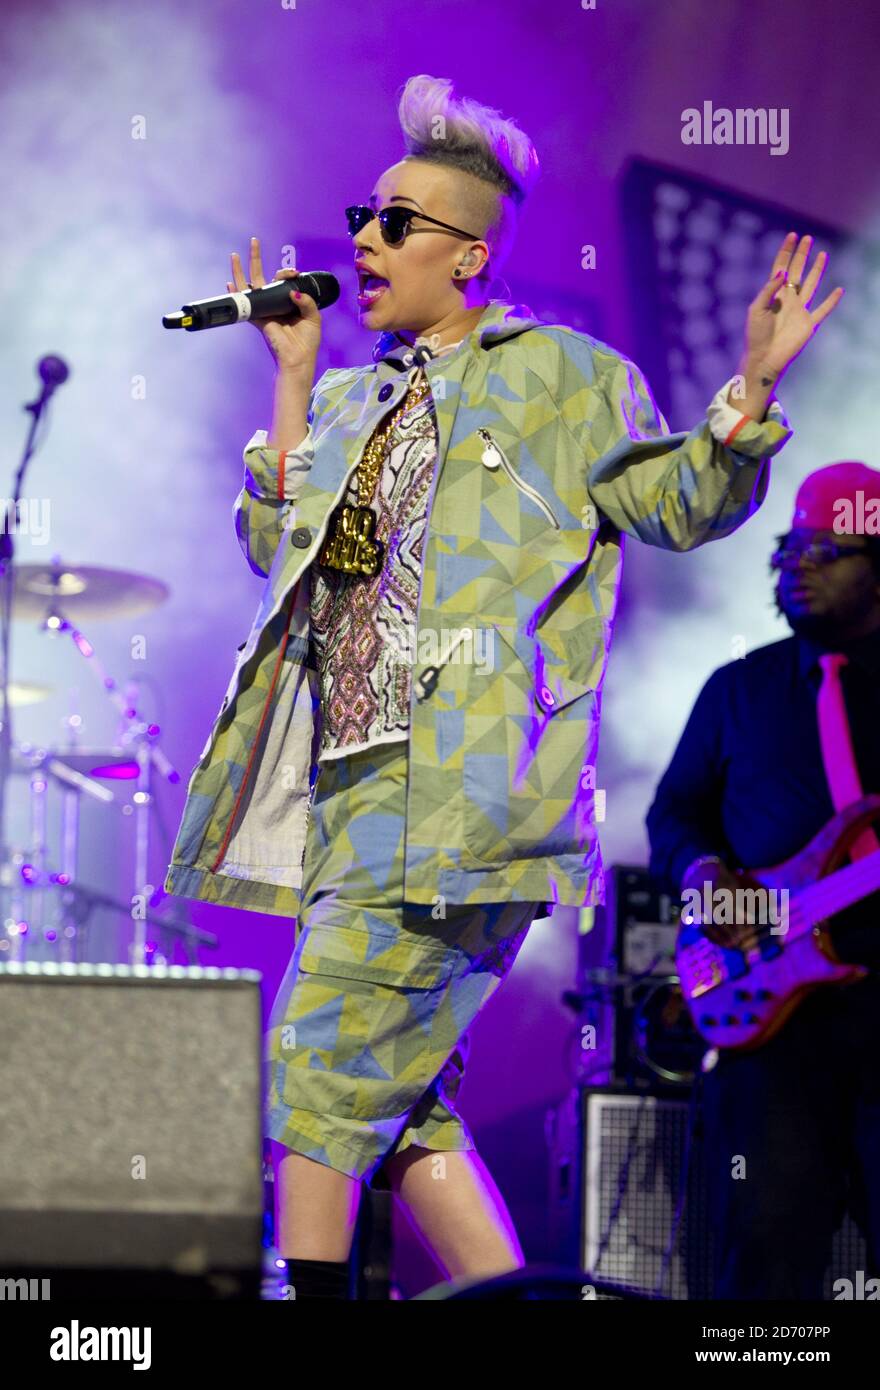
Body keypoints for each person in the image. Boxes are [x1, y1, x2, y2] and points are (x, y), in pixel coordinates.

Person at [164, 72, 841, 1299]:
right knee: (400, 1106)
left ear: (468, 254)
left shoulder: (565, 378)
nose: (363, 240)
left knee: (315, 1066)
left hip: (469, 804)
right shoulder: (359, 400)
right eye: (365, 214)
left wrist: (750, 396)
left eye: (395, 223)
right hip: (352, 795)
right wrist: (293, 377)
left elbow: (679, 502)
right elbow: (284, 558)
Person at [646, 461, 880, 1300]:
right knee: (765, 1260)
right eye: (788, 548)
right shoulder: (738, 689)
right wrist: (707, 877)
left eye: (826, 549)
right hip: (771, 1026)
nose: (796, 565)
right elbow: (673, 814)